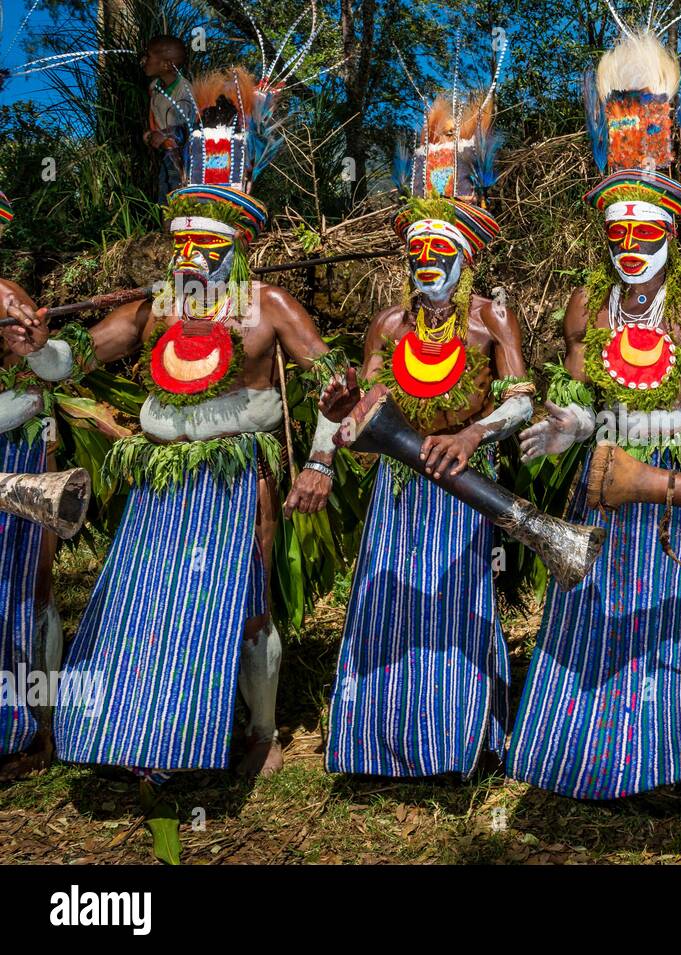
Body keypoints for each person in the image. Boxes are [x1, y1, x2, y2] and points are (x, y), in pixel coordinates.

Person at [505, 30, 681, 805]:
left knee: (669, 623)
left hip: (674, 484)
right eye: (619, 231)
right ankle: (583, 757)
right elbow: (575, 392)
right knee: (590, 613)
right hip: (600, 482)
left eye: (648, 230)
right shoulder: (586, 304)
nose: (632, 245)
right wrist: (566, 424)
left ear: (672, 225)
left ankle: (664, 767)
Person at [48, 64, 346, 782]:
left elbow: (339, 384)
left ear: (236, 244)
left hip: (236, 476)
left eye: (205, 249)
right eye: (181, 247)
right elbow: (76, 357)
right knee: (150, 601)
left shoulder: (267, 306)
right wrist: (34, 346)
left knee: (244, 612)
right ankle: (155, 728)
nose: (189, 262)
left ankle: (263, 731)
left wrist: (319, 461)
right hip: (160, 481)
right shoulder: (154, 307)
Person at [318, 78, 535, 778]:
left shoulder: (492, 319)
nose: (427, 265)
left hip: (466, 490)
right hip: (399, 495)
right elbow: (362, 411)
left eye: (439, 253)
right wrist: (336, 419)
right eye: (417, 254)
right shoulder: (387, 324)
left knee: (458, 609)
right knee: (390, 603)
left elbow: (523, 402)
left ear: (467, 255)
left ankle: (460, 741)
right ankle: (376, 742)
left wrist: (476, 435)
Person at [0, 190, 95, 779]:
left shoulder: (9, 298)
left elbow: (53, 367)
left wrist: (34, 346)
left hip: (16, 448)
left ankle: (39, 727)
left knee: (27, 586)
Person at [140, 36, 196, 204]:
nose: (144, 60)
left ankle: (177, 225)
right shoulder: (155, 87)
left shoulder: (184, 91)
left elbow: (188, 125)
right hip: (167, 152)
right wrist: (152, 133)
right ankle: (167, 227)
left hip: (182, 155)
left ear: (166, 65)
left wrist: (164, 134)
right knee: (164, 190)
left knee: (176, 190)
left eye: (148, 56)